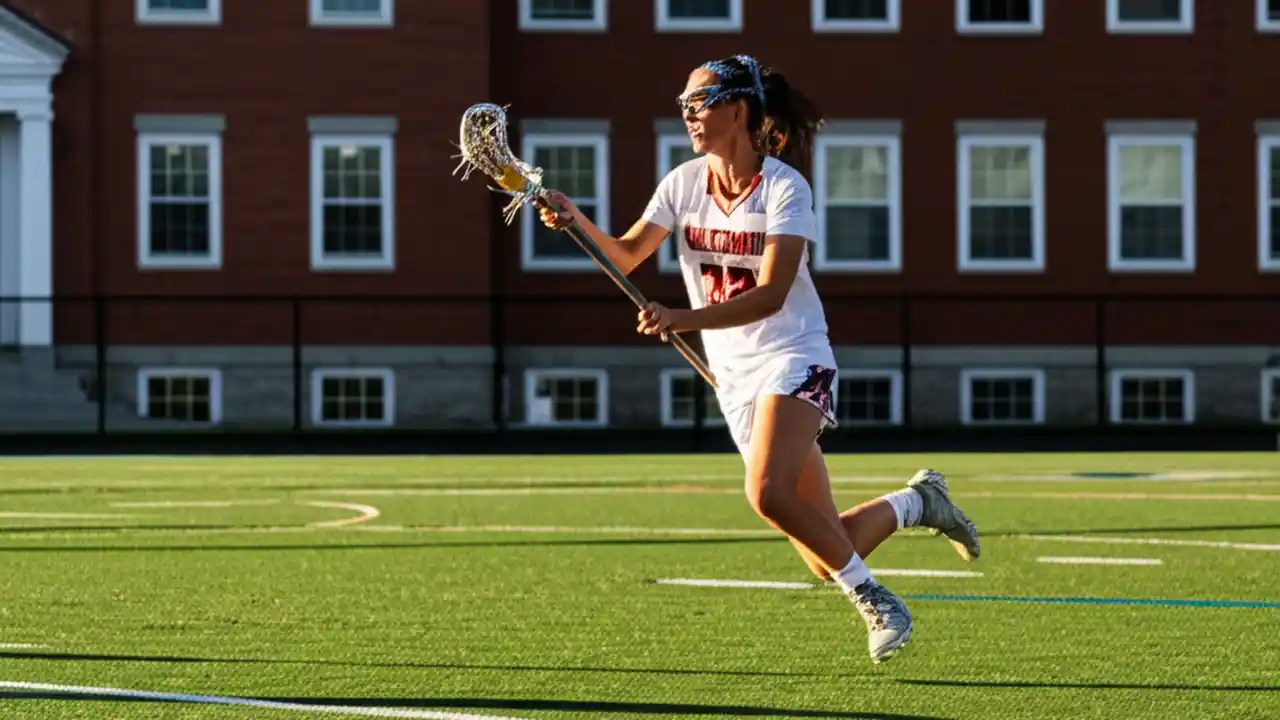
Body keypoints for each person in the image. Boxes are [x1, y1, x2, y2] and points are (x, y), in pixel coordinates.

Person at [536, 54, 980, 664]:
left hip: (795, 356)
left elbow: (771, 293)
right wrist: (576, 222)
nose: (689, 115)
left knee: (767, 493)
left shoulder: (784, 188)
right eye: (685, 105)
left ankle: (877, 600)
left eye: (701, 103)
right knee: (830, 555)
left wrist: (682, 318)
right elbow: (627, 255)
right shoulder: (684, 183)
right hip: (735, 377)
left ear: (738, 109)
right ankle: (919, 502)